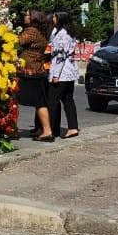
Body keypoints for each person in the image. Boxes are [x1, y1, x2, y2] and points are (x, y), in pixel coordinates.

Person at [16, 10, 54, 142]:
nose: (25, 17)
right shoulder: (41, 32)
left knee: (14, 98)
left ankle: (46, 131)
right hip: (38, 71)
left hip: (28, 72)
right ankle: (46, 130)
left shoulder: (31, 31)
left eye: (27, 15)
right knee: (40, 102)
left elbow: (16, 42)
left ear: (33, 19)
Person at [48, 11, 80, 139]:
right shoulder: (67, 32)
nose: (53, 19)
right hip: (69, 71)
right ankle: (73, 127)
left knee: (52, 101)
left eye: (55, 17)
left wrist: (56, 75)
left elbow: (61, 55)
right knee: (67, 100)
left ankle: (50, 129)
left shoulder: (63, 34)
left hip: (62, 72)